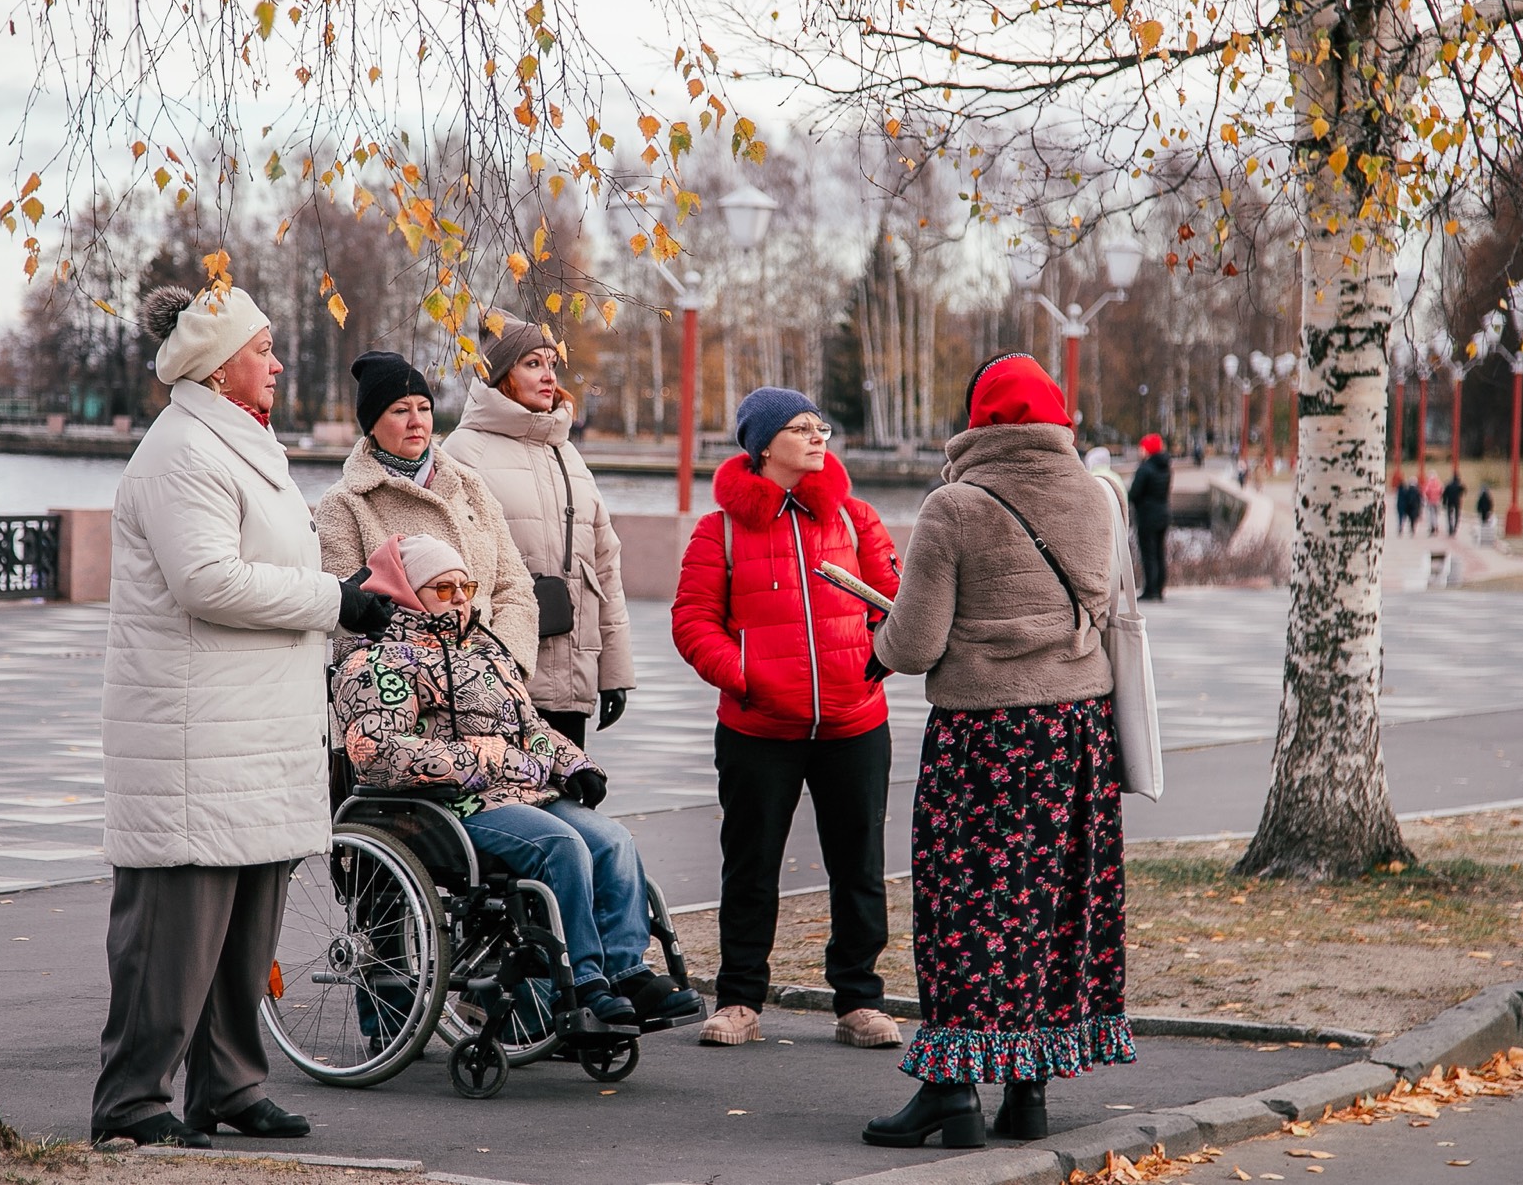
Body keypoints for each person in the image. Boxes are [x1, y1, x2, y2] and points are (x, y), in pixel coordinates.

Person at [92, 285, 395, 1150]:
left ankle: (228, 1084)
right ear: (218, 367)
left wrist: (340, 597)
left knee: (244, 928)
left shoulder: (241, 443)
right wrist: (333, 599)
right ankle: (130, 1101)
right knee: (173, 933)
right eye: (263, 348)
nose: (278, 362)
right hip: (197, 734)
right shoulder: (182, 450)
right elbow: (206, 581)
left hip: (252, 729)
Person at [863, 352, 1133, 1151]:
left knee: (967, 907)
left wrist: (878, 643)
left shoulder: (955, 505)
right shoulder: (1099, 496)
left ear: (979, 420)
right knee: (1046, 908)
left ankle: (951, 1092)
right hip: (1076, 736)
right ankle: (1027, 1093)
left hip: (987, 739)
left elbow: (916, 642)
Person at [333, 532, 702, 1027]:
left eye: (466, 586)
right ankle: (584, 982)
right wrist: (487, 758)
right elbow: (377, 752)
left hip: (520, 791)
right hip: (447, 805)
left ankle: (626, 972)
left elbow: (529, 726)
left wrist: (574, 764)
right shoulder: (376, 661)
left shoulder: (484, 648)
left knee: (613, 840)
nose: (460, 598)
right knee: (561, 846)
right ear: (405, 593)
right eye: (443, 588)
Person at [671, 386, 903, 1051]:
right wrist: (747, 677)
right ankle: (740, 1000)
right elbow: (693, 622)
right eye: (801, 427)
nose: (817, 435)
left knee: (859, 866)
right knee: (750, 867)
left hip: (855, 723)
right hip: (758, 729)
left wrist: (872, 663)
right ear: (763, 445)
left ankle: (859, 1001)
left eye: (819, 425)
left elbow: (897, 604)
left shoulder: (855, 519)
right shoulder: (719, 530)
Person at [441, 319, 634, 746]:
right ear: (502, 374)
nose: (549, 376)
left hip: (571, 680)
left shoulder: (568, 454)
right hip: (497, 680)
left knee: (571, 787)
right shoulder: (462, 451)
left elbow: (604, 566)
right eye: (532, 364)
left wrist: (614, 673)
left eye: (552, 364)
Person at [316, 349, 538, 674]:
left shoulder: (470, 487)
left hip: (491, 678)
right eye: (400, 410)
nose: (416, 421)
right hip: (402, 686)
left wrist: (505, 662)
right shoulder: (344, 503)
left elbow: (514, 586)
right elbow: (345, 613)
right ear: (372, 425)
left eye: (423, 408)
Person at [1127, 433, 1171, 602]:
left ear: (1147, 449)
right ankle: (1159, 588)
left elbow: (1134, 492)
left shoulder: (1145, 469)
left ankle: (1150, 589)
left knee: (1148, 553)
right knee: (1160, 552)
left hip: (1147, 516)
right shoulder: (1165, 467)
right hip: (1163, 514)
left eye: (1142, 447)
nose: (1140, 450)